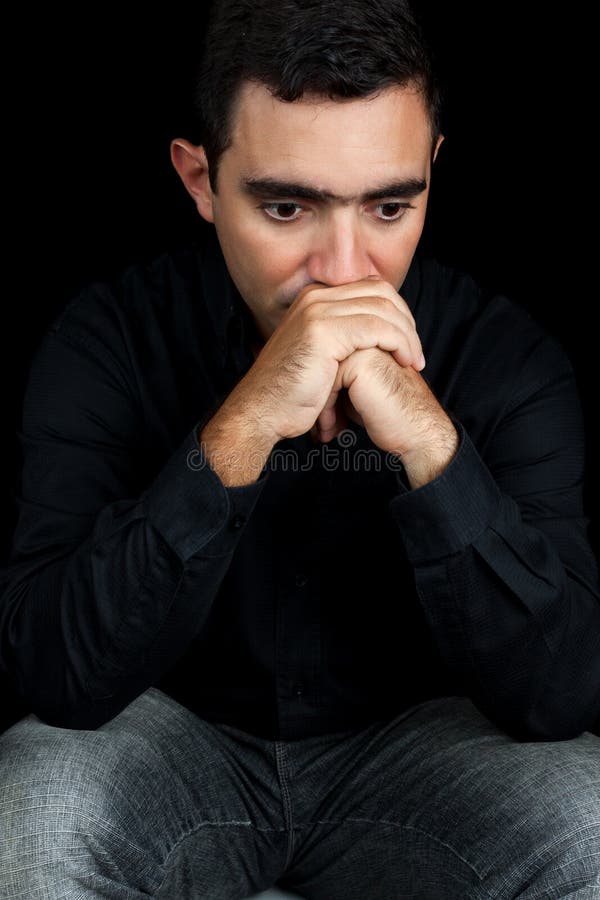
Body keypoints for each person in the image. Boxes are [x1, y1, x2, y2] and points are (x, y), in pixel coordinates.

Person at [1, 0, 599, 896]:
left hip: (418, 753)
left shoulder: (507, 358)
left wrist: (434, 447)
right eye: (287, 207)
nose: (344, 271)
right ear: (200, 180)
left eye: (391, 206)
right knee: (34, 819)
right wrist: (244, 426)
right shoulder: (109, 340)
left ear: (433, 171)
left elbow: (560, 699)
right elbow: (55, 674)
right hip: (173, 743)